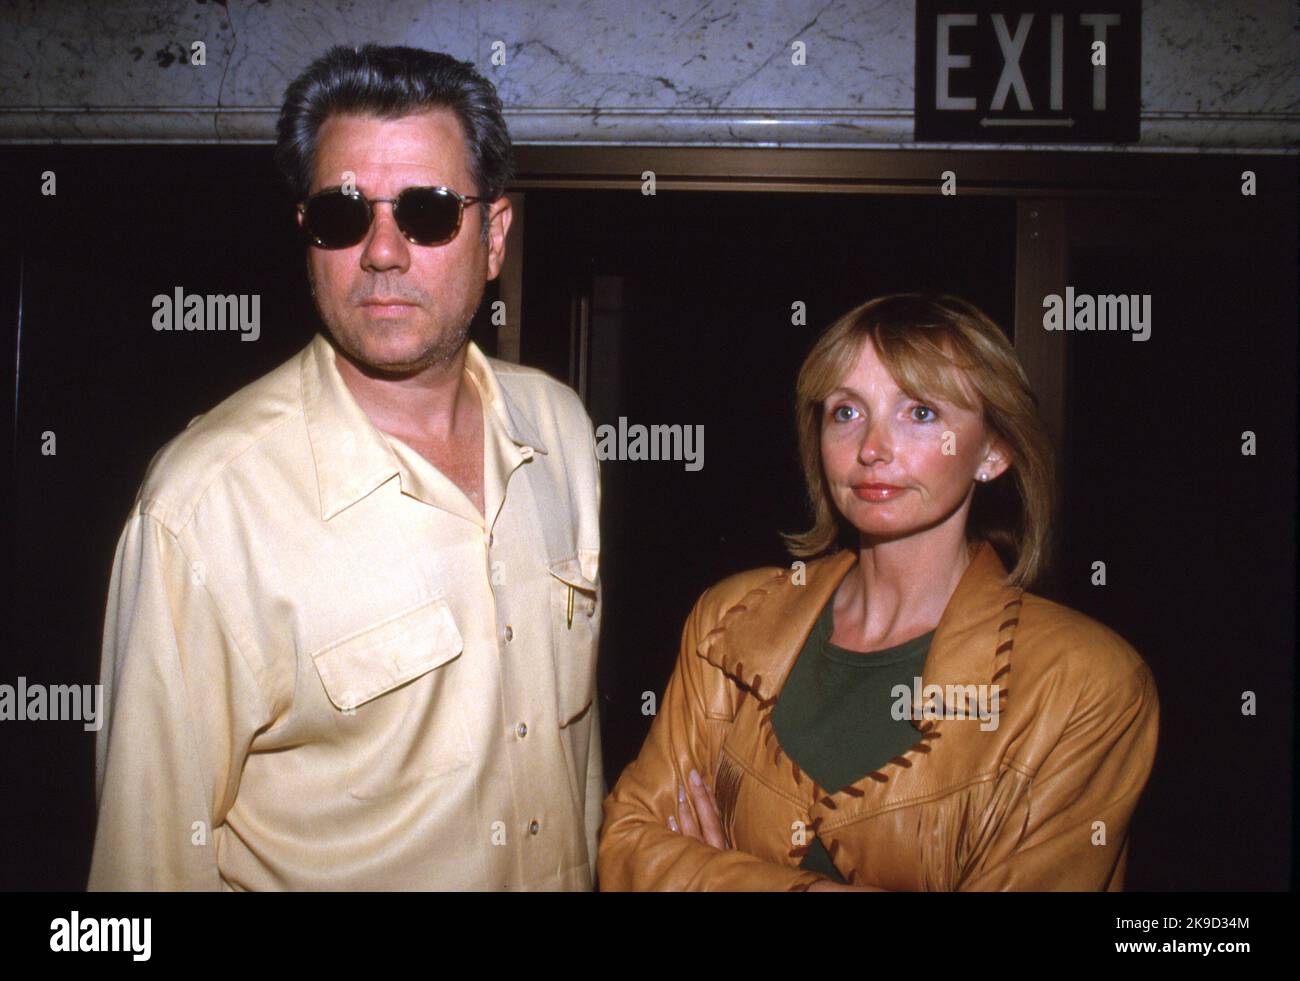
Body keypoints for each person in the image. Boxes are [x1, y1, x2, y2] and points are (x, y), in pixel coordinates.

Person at [89, 45, 603, 890]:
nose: (383, 251)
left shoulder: (563, 432)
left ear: (494, 235)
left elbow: (572, 754)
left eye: (430, 212)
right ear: (306, 235)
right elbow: (142, 867)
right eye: (343, 213)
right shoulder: (204, 508)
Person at [598, 293, 1158, 891]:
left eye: (919, 413)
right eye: (846, 412)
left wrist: (708, 876)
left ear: (994, 450)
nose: (871, 448)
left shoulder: (1088, 682)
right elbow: (627, 846)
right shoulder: (731, 618)